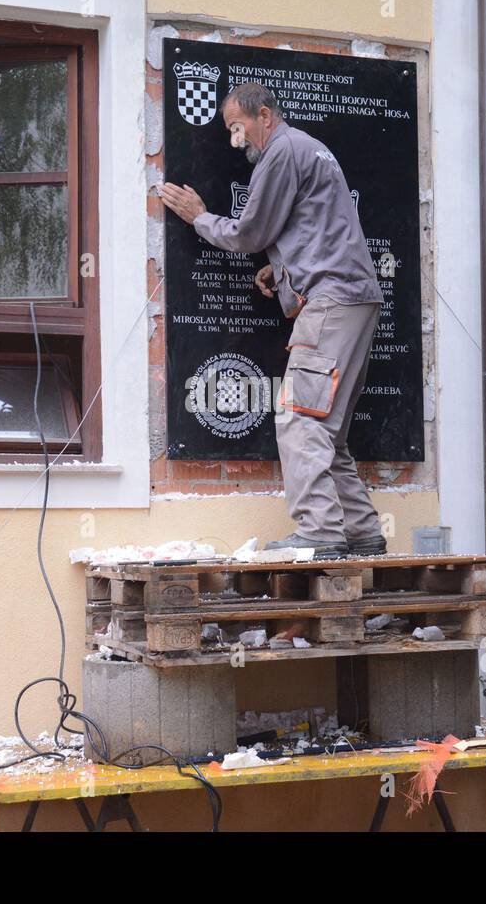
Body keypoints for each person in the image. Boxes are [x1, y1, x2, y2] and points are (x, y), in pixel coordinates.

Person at [160, 81, 385, 559]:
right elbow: (317, 228)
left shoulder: (281, 151)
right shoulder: (311, 148)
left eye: (236, 127)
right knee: (328, 428)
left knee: (300, 418)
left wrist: (200, 217)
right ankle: (363, 533)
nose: (233, 139)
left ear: (264, 116)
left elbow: (251, 231)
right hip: (355, 300)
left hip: (331, 301)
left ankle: (321, 534)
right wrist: (280, 271)